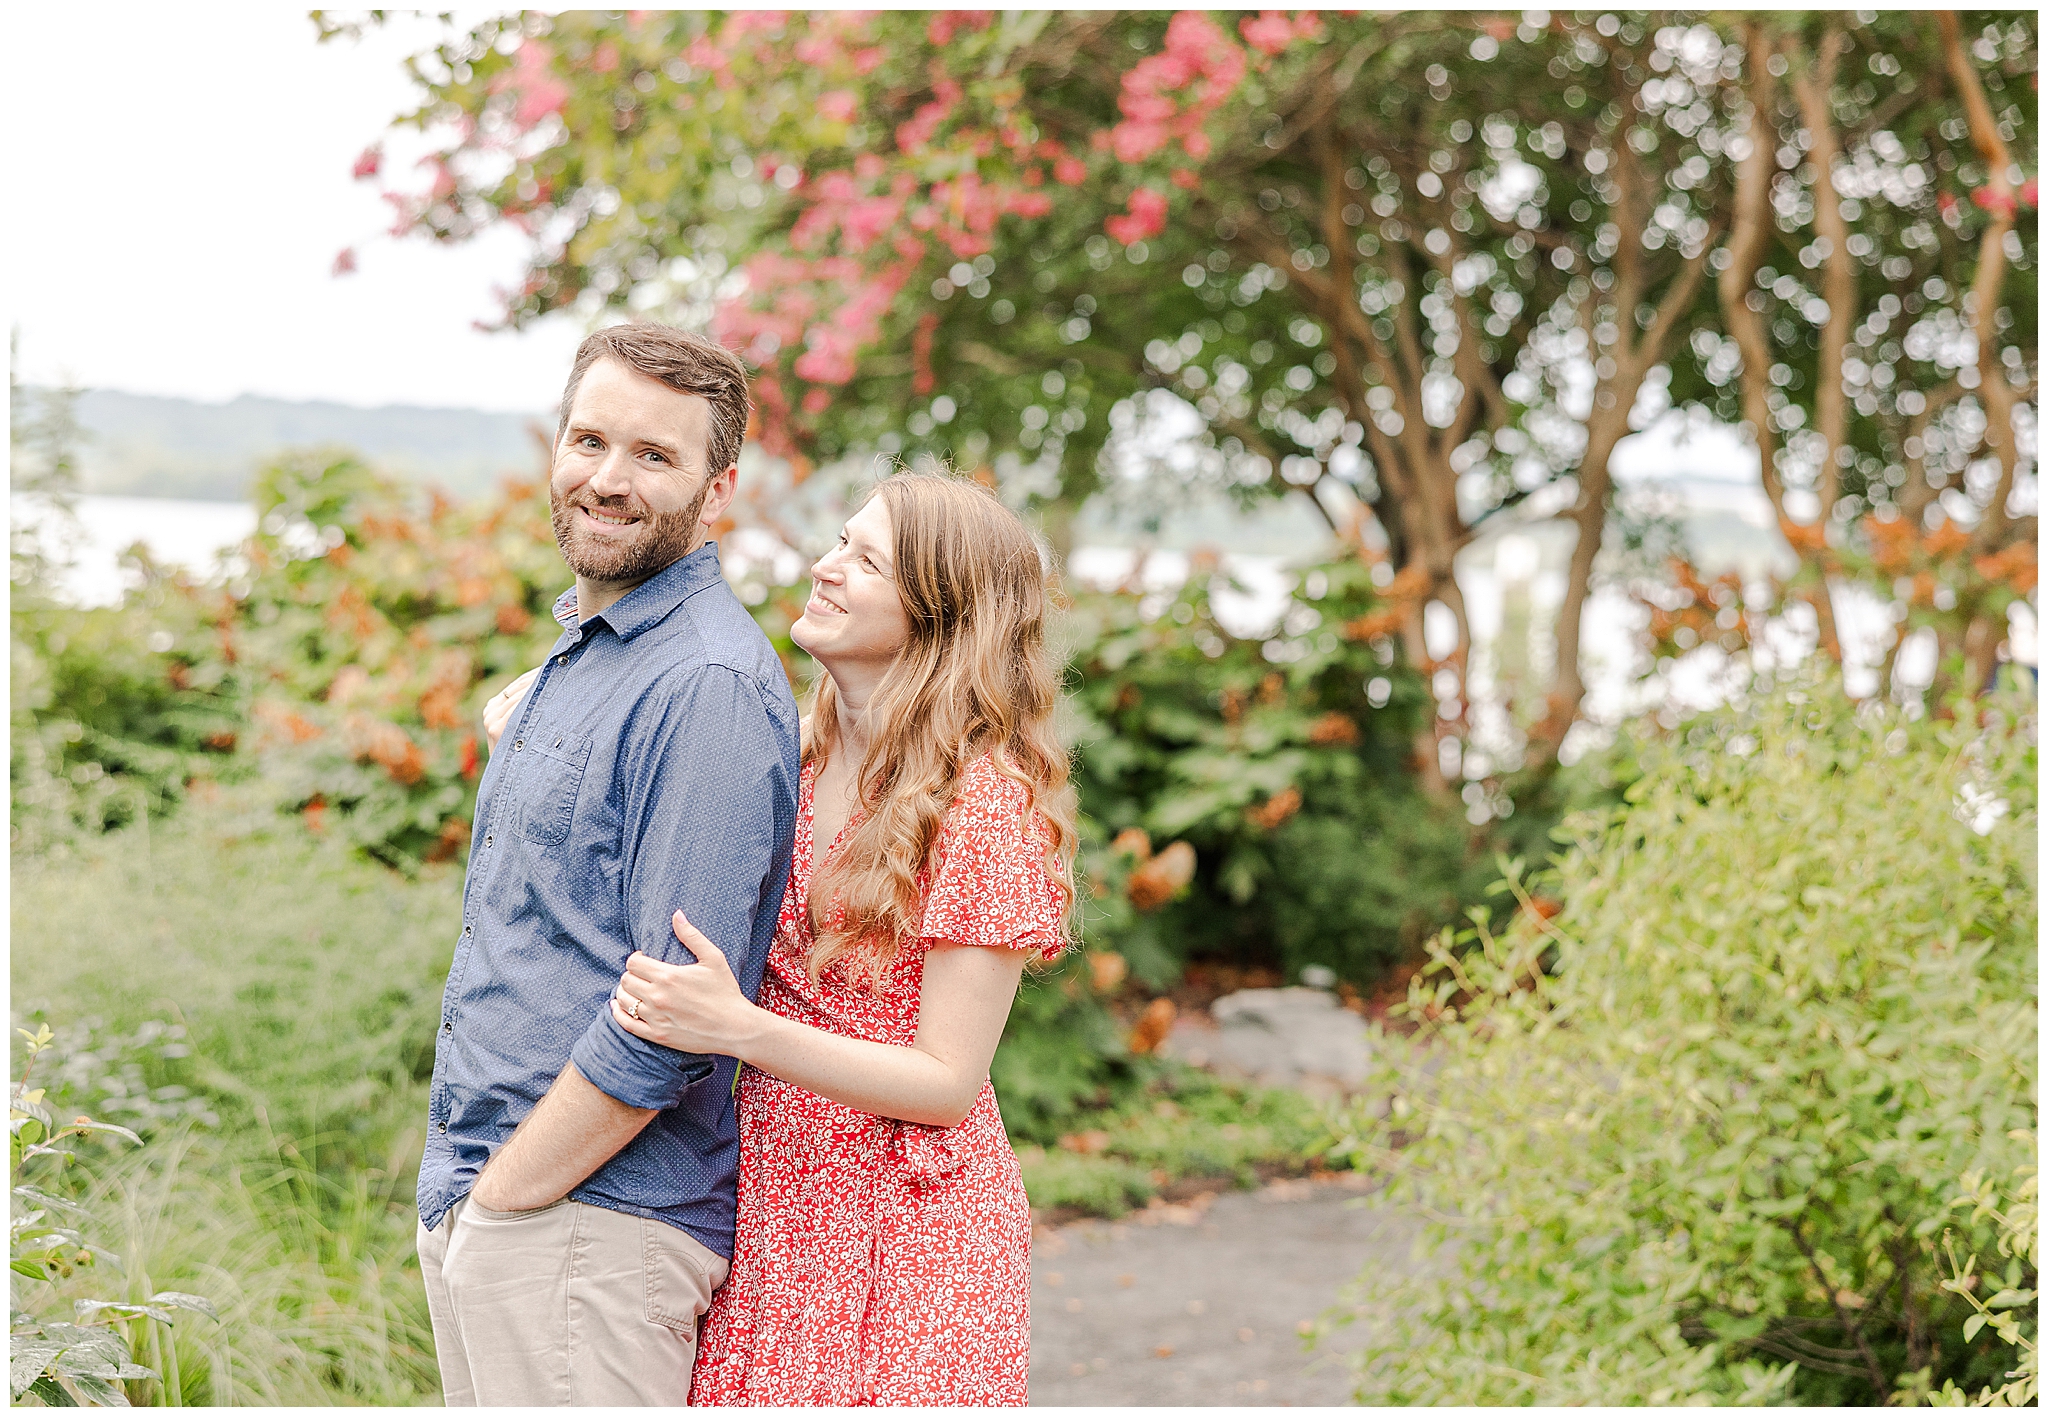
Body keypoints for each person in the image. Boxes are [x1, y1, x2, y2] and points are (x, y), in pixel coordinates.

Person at [494, 472, 1077, 1404]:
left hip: (909, 1233)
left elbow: (946, 1082)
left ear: (941, 612)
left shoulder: (983, 803)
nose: (826, 567)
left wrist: (738, 1028)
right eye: (839, 541)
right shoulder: (786, 748)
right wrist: (544, 714)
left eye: (867, 559)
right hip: (771, 1202)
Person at [414, 322, 801, 1407]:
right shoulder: (590, 650)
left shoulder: (706, 686)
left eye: (654, 456)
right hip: (506, 1208)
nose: (608, 479)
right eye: (590, 440)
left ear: (718, 489)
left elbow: (670, 1016)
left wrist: (506, 1201)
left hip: (585, 1226)